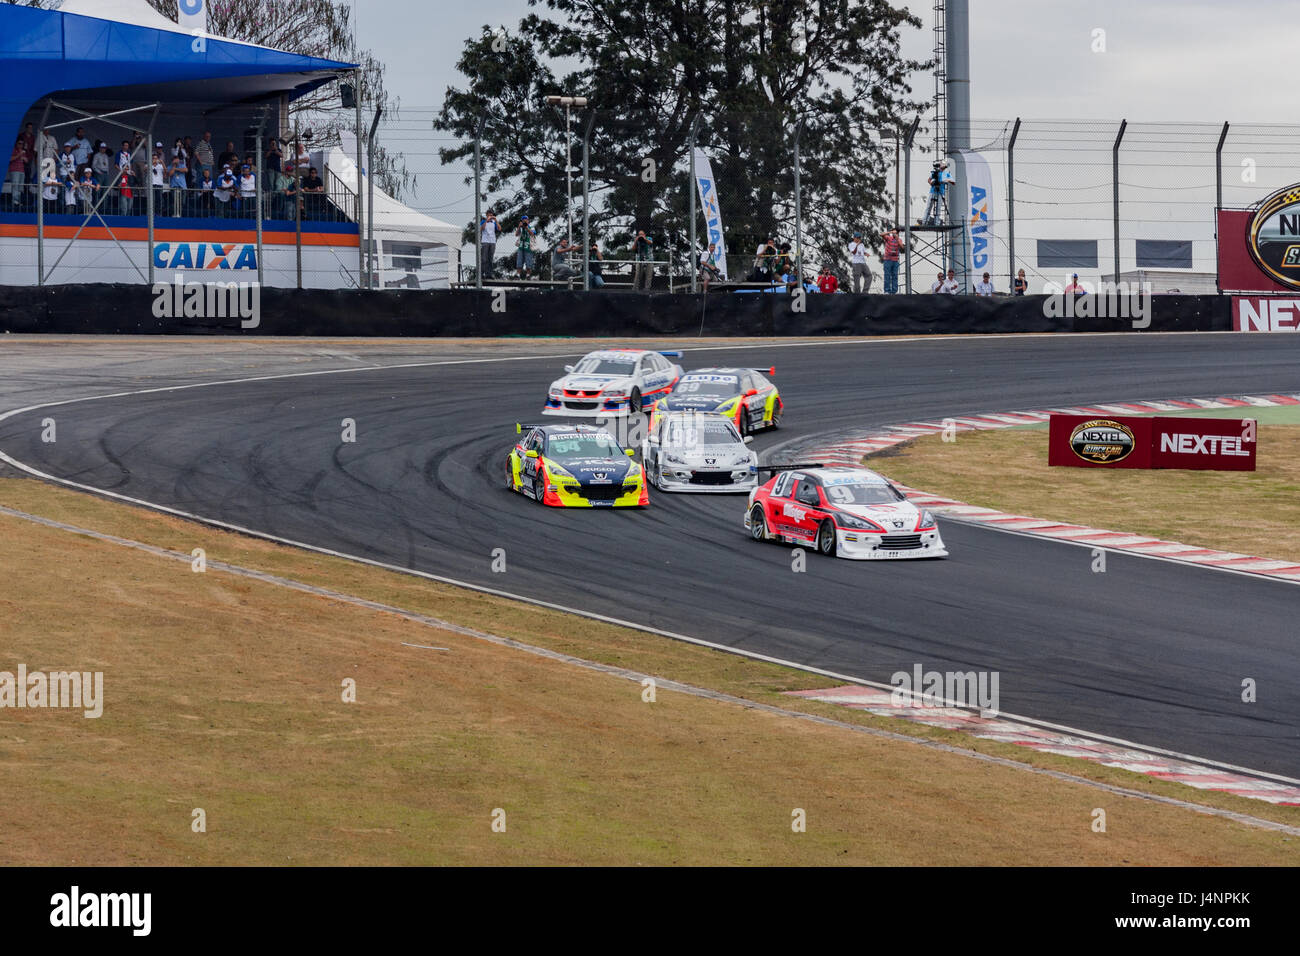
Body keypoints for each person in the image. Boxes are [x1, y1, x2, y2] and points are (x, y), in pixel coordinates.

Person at [923, 159, 953, 225]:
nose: (942, 166)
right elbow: (929, 179)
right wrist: (931, 183)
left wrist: (945, 181)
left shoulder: (946, 173)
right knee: (929, 207)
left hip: (940, 192)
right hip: (933, 191)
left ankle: (936, 222)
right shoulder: (935, 172)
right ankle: (924, 221)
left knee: (938, 208)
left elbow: (952, 181)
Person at [5, 138, 27, 211]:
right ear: (16, 144)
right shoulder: (13, 150)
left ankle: (18, 201)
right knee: (15, 185)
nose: (21, 145)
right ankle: (15, 202)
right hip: (14, 170)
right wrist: (19, 155)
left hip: (22, 170)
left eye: (22, 144)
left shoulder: (23, 151)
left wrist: (24, 158)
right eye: (19, 143)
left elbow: (26, 161)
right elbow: (10, 159)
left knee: (20, 187)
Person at [880, 225, 903, 294]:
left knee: (895, 276)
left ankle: (894, 291)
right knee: (887, 275)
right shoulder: (888, 238)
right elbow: (881, 234)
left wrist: (897, 238)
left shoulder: (899, 239)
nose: (894, 234)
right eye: (894, 233)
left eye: (896, 233)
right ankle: (887, 290)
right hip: (887, 259)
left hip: (895, 260)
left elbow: (901, 246)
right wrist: (890, 232)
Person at [479, 211, 498, 278]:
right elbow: (481, 229)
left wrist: (496, 220)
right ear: (486, 215)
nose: (490, 217)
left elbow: (499, 228)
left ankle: (489, 274)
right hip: (485, 241)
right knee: (484, 259)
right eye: (489, 215)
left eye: (491, 215)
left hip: (492, 242)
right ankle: (481, 273)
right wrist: (486, 221)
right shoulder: (483, 222)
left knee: (490, 258)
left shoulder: (493, 222)